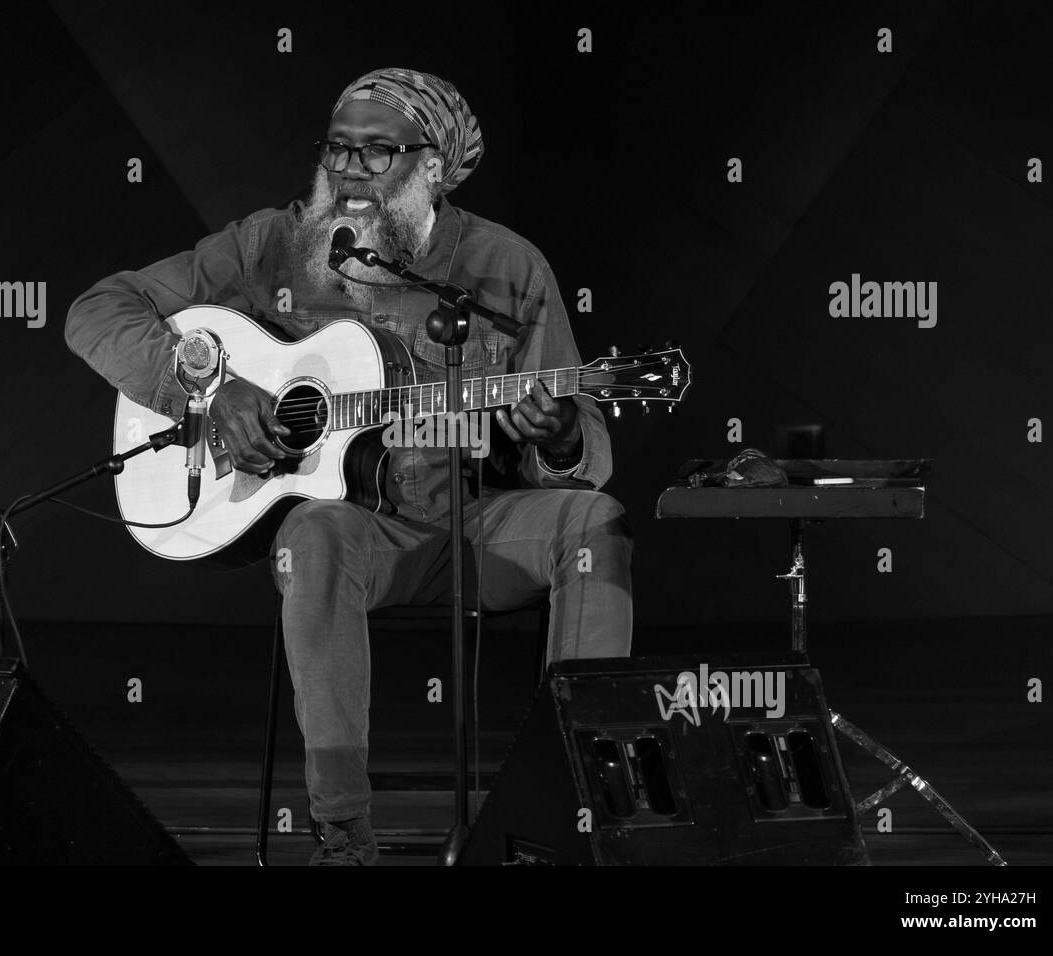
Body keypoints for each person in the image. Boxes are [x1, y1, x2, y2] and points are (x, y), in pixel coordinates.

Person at [66, 67, 633, 865]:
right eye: (337, 149)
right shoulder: (272, 242)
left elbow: (583, 449)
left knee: (593, 525)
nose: (349, 170)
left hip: (477, 523)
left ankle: (577, 815)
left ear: (433, 165)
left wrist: (558, 433)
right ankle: (343, 837)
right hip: (366, 534)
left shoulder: (507, 265)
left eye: (378, 152)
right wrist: (209, 386)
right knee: (315, 533)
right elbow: (97, 311)